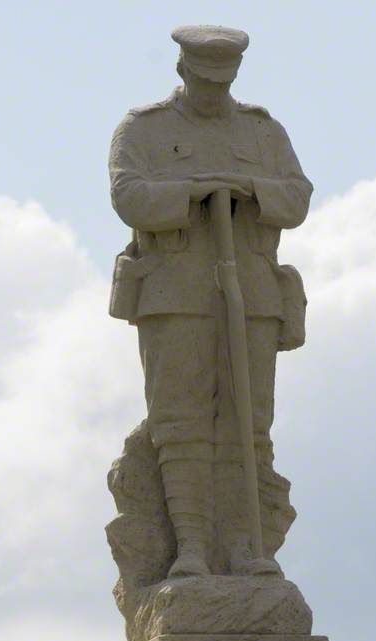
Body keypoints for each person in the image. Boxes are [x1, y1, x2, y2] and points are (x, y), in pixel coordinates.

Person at [108, 25, 312, 578]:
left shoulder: (261, 130)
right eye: (204, 80)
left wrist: (249, 190)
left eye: (222, 82)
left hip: (252, 292)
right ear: (183, 70)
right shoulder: (145, 128)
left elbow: (297, 197)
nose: (213, 92)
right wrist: (194, 190)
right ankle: (192, 548)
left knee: (249, 425)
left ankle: (244, 545)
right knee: (181, 423)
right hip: (175, 290)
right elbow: (128, 196)